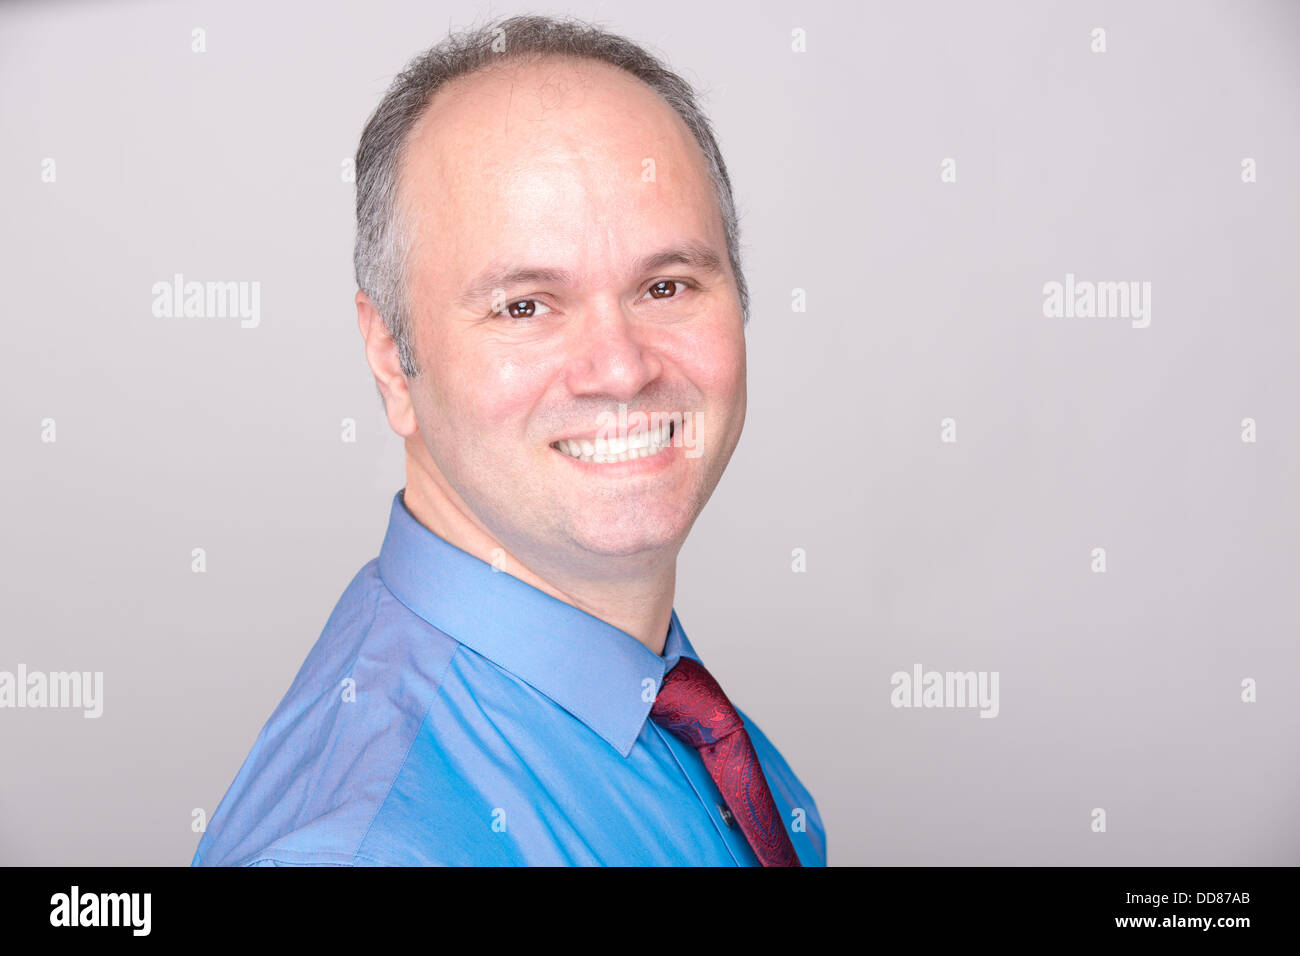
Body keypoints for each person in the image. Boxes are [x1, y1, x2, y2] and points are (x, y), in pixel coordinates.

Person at [192, 13, 825, 866]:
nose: (620, 369)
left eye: (666, 286)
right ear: (391, 358)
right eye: (523, 306)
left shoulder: (664, 704)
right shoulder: (364, 850)